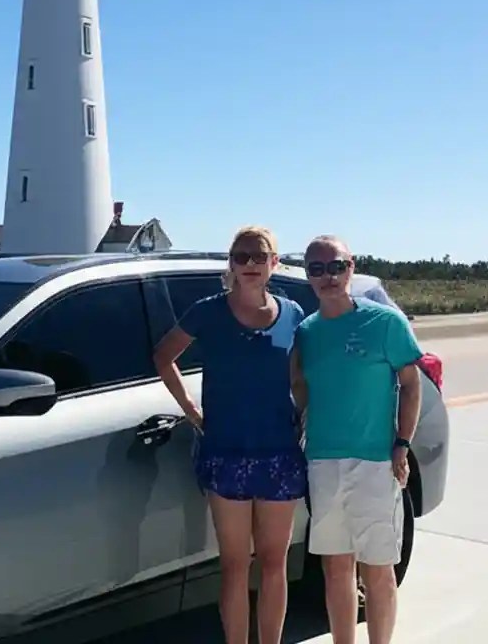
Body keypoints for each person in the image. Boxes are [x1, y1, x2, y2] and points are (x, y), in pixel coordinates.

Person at [153, 225, 307, 644]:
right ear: (231, 264)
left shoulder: (293, 314)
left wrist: (307, 413)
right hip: (227, 455)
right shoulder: (207, 311)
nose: (251, 265)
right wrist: (192, 411)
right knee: (236, 565)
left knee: (274, 563)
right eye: (242, 257)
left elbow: (298, 378)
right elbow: (164, 357)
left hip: (280, 455)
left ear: (275, 263)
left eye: (260, 257)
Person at [289, 235, 423, 644]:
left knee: (378, 569)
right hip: (323, 463)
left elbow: (412, 384)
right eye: (317, 269)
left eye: (336, 266)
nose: (328, 276)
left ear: (351, 267)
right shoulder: (307, 333)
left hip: (375, 462)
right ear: (308, 276)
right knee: (335, 568)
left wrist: (402, 443)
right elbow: (300, 389)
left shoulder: (384, 323)